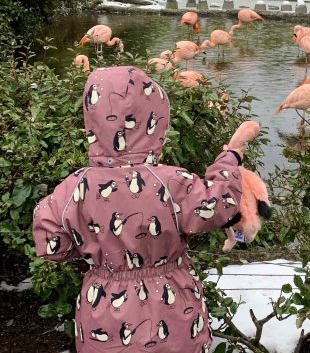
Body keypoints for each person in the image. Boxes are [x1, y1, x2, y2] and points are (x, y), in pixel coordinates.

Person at [32, 66, 253, 352]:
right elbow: (221, 203)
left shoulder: (73, 188)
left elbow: (52, 245)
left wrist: (97, 251)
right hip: (172, 312)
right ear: (154, 119)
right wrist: (230, 157)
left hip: (103, 313)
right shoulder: (171, 182)